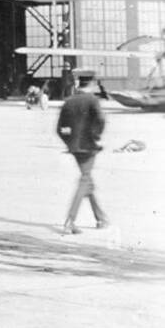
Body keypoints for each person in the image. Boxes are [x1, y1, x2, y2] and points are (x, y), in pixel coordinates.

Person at [56, 68, 109, 234]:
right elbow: (101, 120)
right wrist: (96, 136)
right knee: (85, 180)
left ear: (78, 83)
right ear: (92, 83)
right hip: (89, 147)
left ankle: (100, 218)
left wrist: (69, 142)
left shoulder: (68, 101)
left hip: (75, 148)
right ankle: (70, 220)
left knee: (87, 181)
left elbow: (59, 129)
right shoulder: (92, 100)